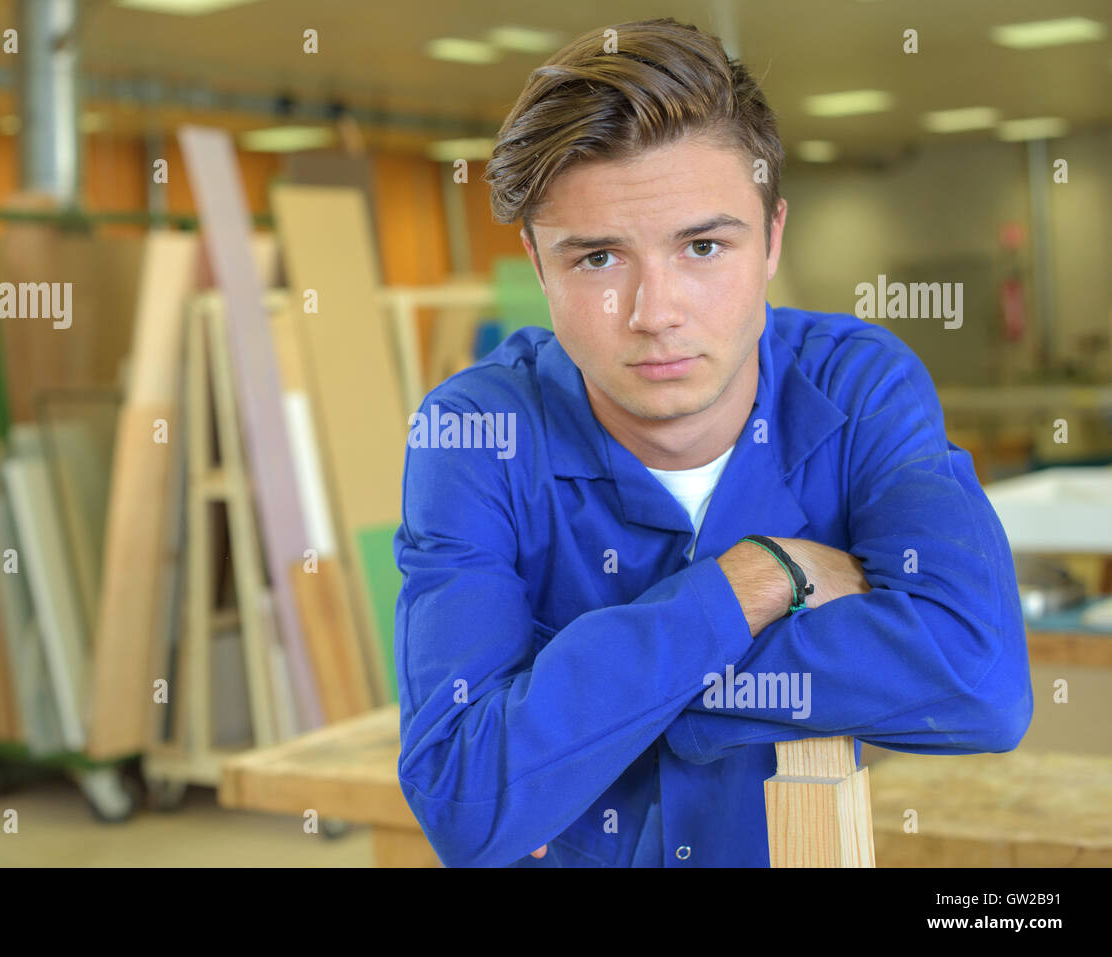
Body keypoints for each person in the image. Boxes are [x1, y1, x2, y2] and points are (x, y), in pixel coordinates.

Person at [393, 17, 1032, 867]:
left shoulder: (857, 386)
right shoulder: (478, 437)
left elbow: (979, 683)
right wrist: (759, 575)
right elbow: (466, 798)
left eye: (702, 246)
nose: (656, 312)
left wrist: (594, 711)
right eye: (597, 259)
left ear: (770, 239)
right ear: (538, 264)